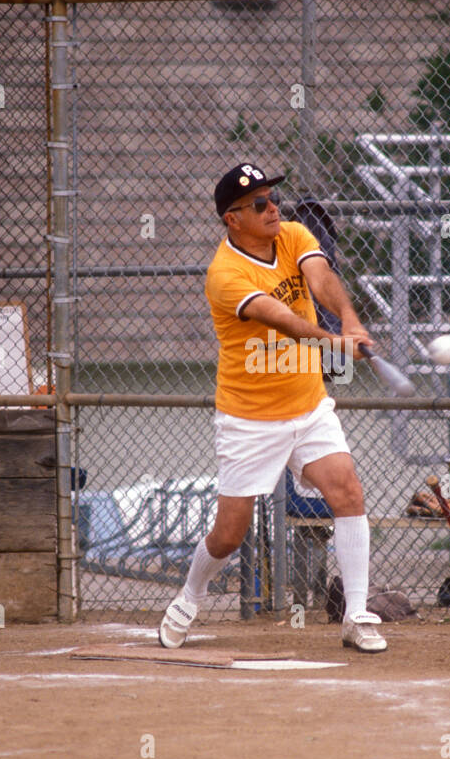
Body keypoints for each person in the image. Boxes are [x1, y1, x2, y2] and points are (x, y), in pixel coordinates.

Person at [156, 163, 387, 652]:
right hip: (249, 417)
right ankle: (190, 596)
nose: (272, 209)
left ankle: (358, 615)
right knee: (228, 536)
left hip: (306, 406)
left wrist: (348, 319)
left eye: (272, 198)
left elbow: (320, 278)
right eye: (258, 204)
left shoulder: (292, 235)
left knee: (347, 490)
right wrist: (332, 342)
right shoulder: (225, 275)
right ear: (232, 219)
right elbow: (279, 317)